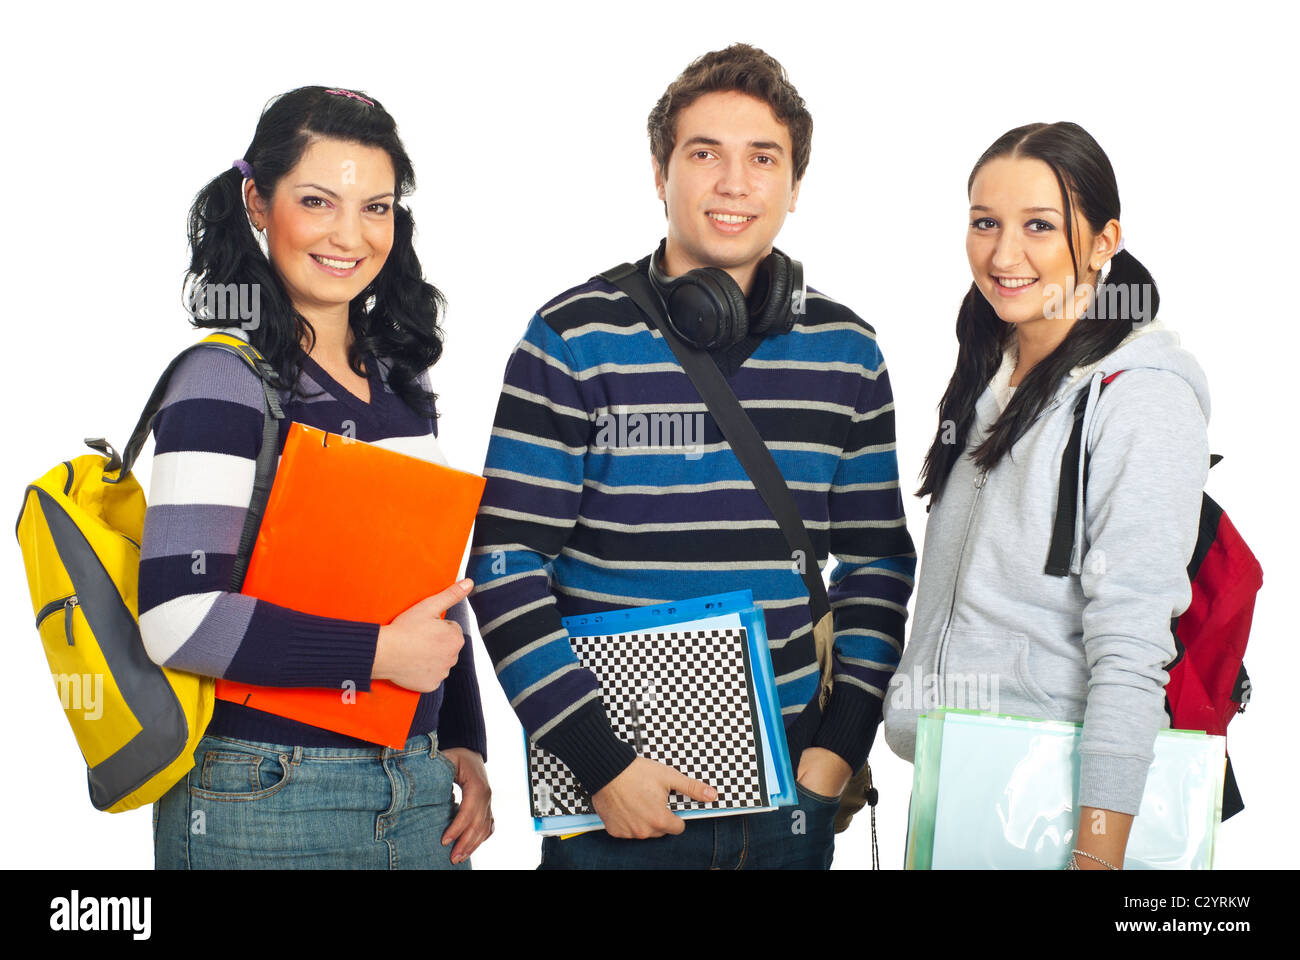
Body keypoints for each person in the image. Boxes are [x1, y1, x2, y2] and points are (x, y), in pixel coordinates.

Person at [466, 44, 915, 869]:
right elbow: (506, 562)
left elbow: (879, 560)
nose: (734, 183)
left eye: (763, 158)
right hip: (612, 810)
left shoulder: (848, 351)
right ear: (659, 171)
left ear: (794, 184)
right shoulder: (571, 338)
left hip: (792, 803)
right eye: (704, 153)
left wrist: (837, 752)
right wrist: (601, 764)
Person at [143, 86, 492, 869]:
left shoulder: (401, 383)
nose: (349, 235)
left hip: (418, 785)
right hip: (265, 794)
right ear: (256, 202)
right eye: (317, 201)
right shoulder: (224, 381)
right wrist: (377, 655)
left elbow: (431, 588)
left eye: (376, 207)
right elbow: (175, 617)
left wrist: (464, 740)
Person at [881, 121, 1210, 870]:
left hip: (1050, 808)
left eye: (1039, 226)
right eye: (984, 223)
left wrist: (1097, 856)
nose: (1004, 255)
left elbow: (1131, 643)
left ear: (1103, 241)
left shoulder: (1140, 398)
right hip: (953, 784)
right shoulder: (989, 372)